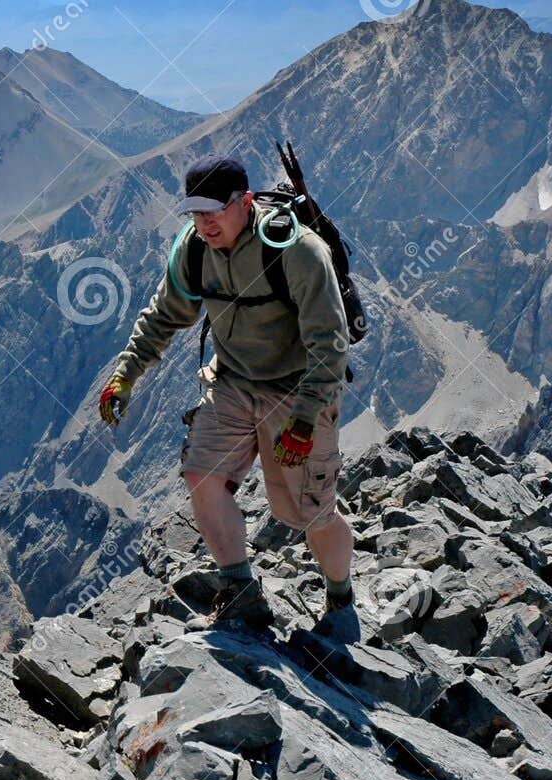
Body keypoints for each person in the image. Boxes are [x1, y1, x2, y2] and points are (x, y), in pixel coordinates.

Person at [98, 154, 359, 641]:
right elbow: (163, 317)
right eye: (195, 213)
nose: (204, 223)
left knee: (308, 514)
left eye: (214, 211)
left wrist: (304, 421)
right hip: (233, 381)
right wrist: (125, 375)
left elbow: (330, 343)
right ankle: (241, 594)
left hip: (298, 388)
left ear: (247, 202)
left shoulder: (298, 251)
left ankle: (341, 596)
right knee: (202, 474)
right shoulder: (193, 250)